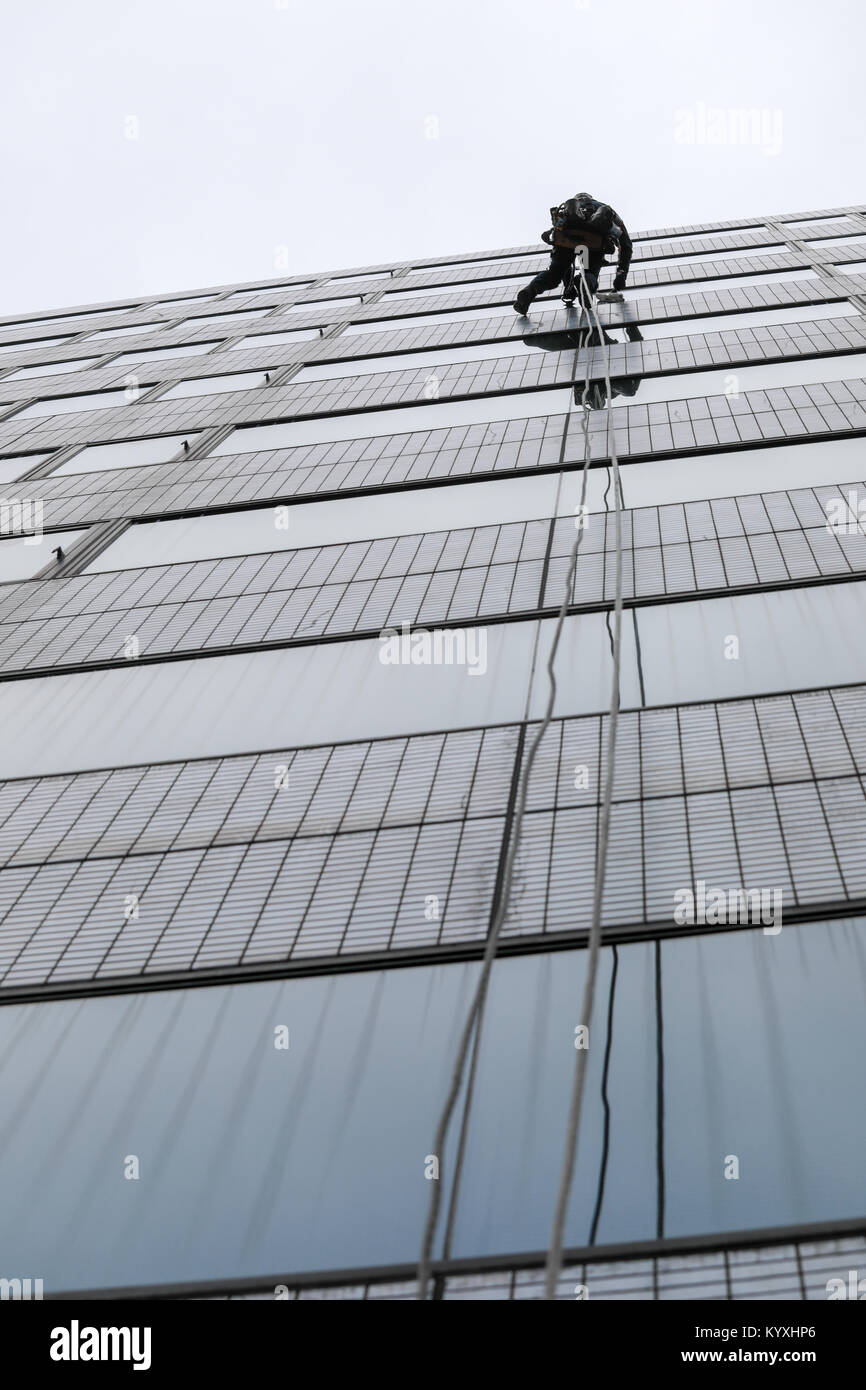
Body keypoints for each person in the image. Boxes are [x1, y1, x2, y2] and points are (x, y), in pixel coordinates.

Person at [512, 193, 632, 316]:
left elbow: (551, 233)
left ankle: (529, 291)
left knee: (554, 273)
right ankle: (584, 284)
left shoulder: (567, 213)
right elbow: (626, 244)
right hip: (593, 243)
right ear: (591, 198)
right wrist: (621, 274)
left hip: (566, 240)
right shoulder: (604, 208)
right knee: (589, 273)